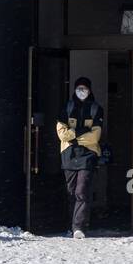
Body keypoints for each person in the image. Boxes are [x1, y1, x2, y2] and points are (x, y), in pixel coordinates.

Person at [56, 76, 103, 238]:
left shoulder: (96, 109)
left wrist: (74, 137)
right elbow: (62, 134)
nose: (82, 92)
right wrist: (81, 133)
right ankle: (72, 225)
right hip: (68, 155)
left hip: (88, 155)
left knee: (82, 191)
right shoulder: (66, 108)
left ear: (90, 90)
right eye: (79, 89)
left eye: (85, 89)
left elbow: (95, 136)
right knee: (71, 192)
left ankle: (79, 227)